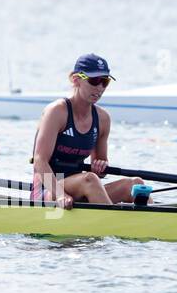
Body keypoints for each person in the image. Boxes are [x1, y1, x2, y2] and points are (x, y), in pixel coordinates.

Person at [31, 53, 144, 208]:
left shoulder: (103, 119)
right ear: (75, 80)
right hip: (48, 191)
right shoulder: (57, 111)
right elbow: (39, 161)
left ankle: (159, 220)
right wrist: (62, 195)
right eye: (94, 80)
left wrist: (101, 166)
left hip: (83, 188)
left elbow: (100, 171)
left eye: (104, 82)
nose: (99, 88)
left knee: (135, 184)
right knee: (89, 179)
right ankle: (116, 227)